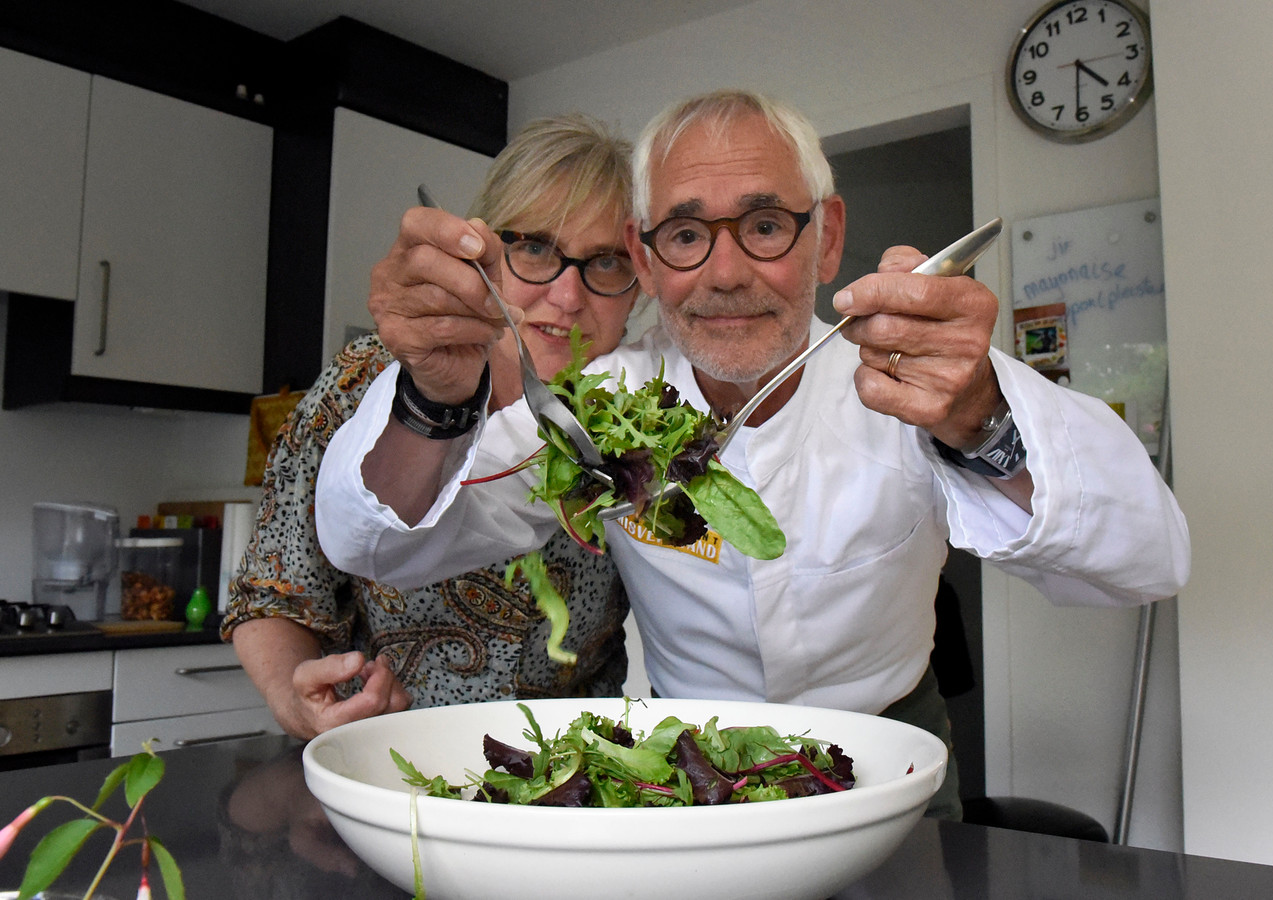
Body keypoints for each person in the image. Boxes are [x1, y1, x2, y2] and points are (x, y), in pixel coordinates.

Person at [314, 90, 1190, 820]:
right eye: (687, 235)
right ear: (646, 258)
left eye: (766, 224)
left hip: (893, 759)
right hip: (685, 774)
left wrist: (985, 424)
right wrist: (433, 393)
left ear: (828, 235)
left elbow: (1145, 560)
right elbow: (376, 542)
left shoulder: (918, 375)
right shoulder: (605, 405)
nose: (726, 273)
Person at [222, 114, 643, 740]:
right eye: (534, 248)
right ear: (480, 254)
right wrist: (297, 701)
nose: (567, 295)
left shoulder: (645, 413)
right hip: (394, 758)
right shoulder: (366, 382)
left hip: (581, 775)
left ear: (641, 284)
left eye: (607, 262)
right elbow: (273, 594)